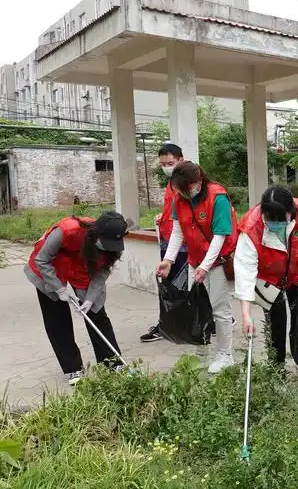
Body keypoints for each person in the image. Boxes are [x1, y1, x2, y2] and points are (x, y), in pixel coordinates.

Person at [25, 212, 129, 385]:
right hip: (50, 267)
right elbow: (41, 260)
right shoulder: (67, 230)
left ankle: (112, 362)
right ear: (96, 233)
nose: (109, 247)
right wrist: (59, 288)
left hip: (83, 268)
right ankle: (73, 368)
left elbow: (103, 272)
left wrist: (89, 299)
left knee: (96, 311)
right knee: (57, 317)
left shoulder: (114, 244)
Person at [157, 161, 238, 374]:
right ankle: (202, 352)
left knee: (220, 309)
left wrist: (205, 266)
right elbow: (178, 231)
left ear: (198, 182)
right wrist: (169, 260)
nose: (183, 194)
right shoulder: (179, 198)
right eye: (179, 191)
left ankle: (225, 354)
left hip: (217, 261)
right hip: (195, 261)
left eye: (187, 189)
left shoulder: (217, 197)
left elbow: (220, 235)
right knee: (197, 308)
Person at [234, 186, 298, 380]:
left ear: (290, 212)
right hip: (269, 280)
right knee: (277, 323)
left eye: (280, 219)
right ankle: (277, 369)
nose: (275, 224)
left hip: (296, 273)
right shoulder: (250, 229)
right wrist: (246, 314)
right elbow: (244, 273)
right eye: (271, 220)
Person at [142, 143, 188, 343]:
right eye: (163, 164)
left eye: (170, 163)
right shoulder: (172, 181)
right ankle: (168, 324)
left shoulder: (189, 180)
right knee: (169, 283)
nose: (166, 167)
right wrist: (164, 216)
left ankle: (173, 325)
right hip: (168, 237)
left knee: (180, 285)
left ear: (181, 159)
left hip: (182, 242)